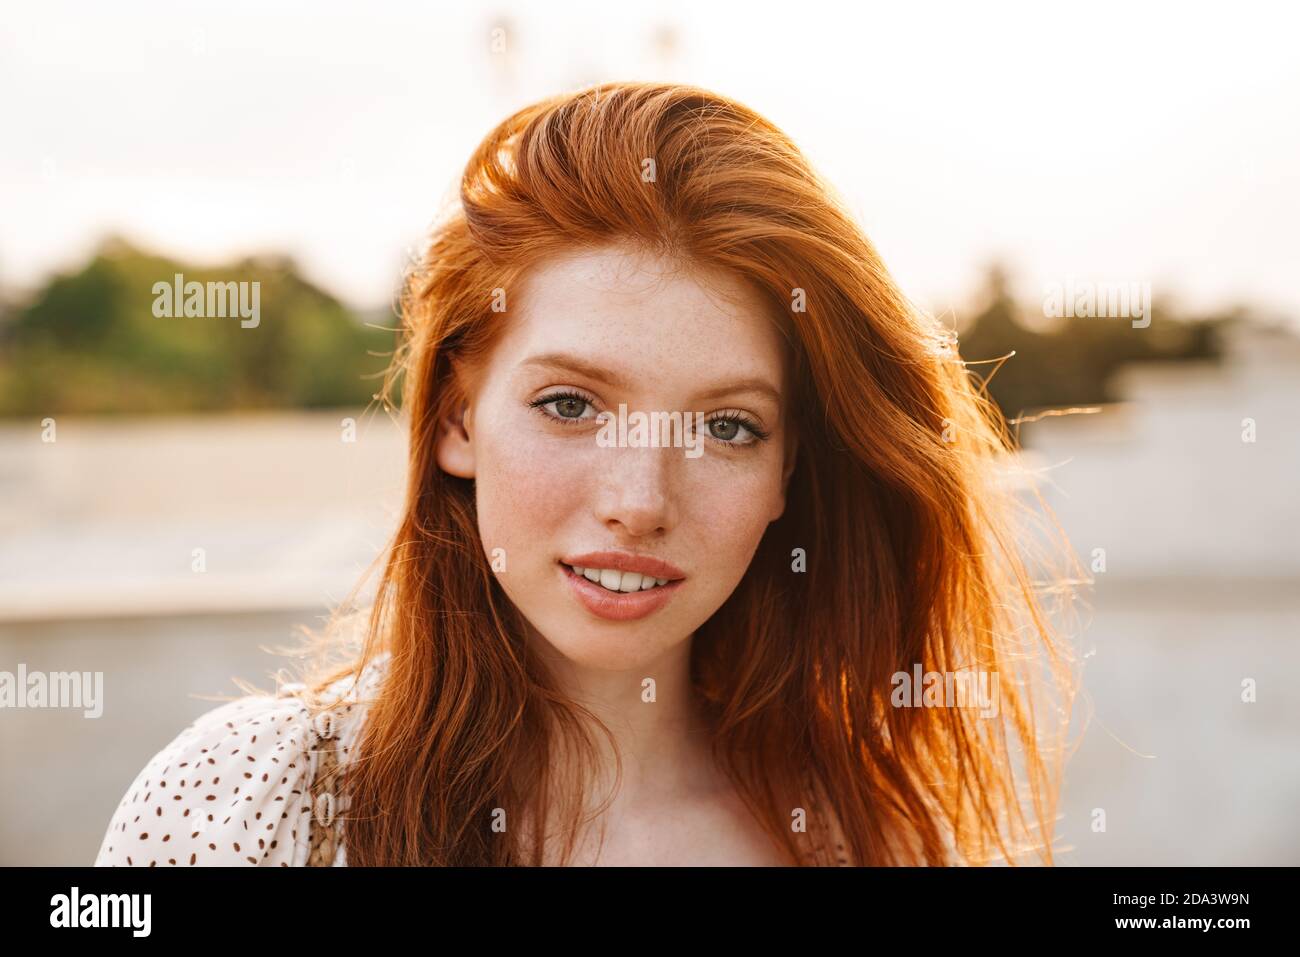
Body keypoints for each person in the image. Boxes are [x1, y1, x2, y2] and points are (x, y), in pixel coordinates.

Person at [95, 80, 1082, 867]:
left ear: (790, 471)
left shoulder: (882, 843)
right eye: (570, 405)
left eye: (728, 427)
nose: (637, 503)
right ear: (455, 419)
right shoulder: (247, 810)